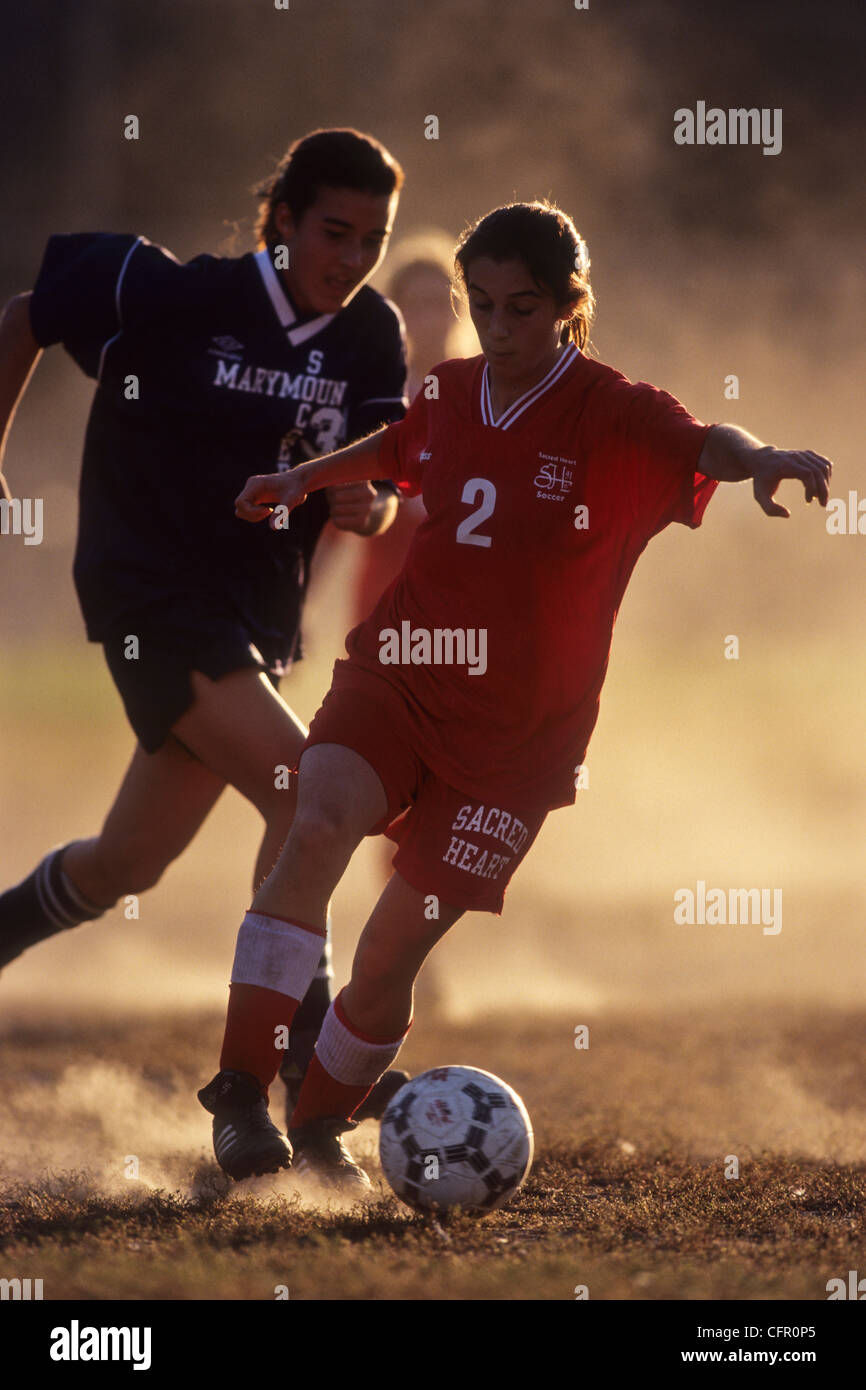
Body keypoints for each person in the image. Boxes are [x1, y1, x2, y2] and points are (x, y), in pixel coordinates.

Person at [197, 199, 832, 1190]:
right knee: (313, 827)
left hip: (517, 747)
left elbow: (708, 441)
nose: (497, 329)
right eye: (481, 305)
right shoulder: (450, 393)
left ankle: (318, 1128)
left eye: (521, 308)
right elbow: (396, 448)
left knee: (388, 953)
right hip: (398, 674)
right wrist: (301, 481)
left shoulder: (614, 410)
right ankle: (238, 1099)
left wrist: (762, 462)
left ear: (570, 305)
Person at [0, 127, 413, 1121]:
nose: (349, 258)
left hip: (252, 625)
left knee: (124, 862)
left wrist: (374, 504)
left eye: (370, 238)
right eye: (332, 230)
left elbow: (384, 475)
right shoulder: (175, 294)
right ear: (279, 218)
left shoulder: (368, 335)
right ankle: (300, 1052)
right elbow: (26, 314)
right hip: (150, 602)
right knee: (305, 790)